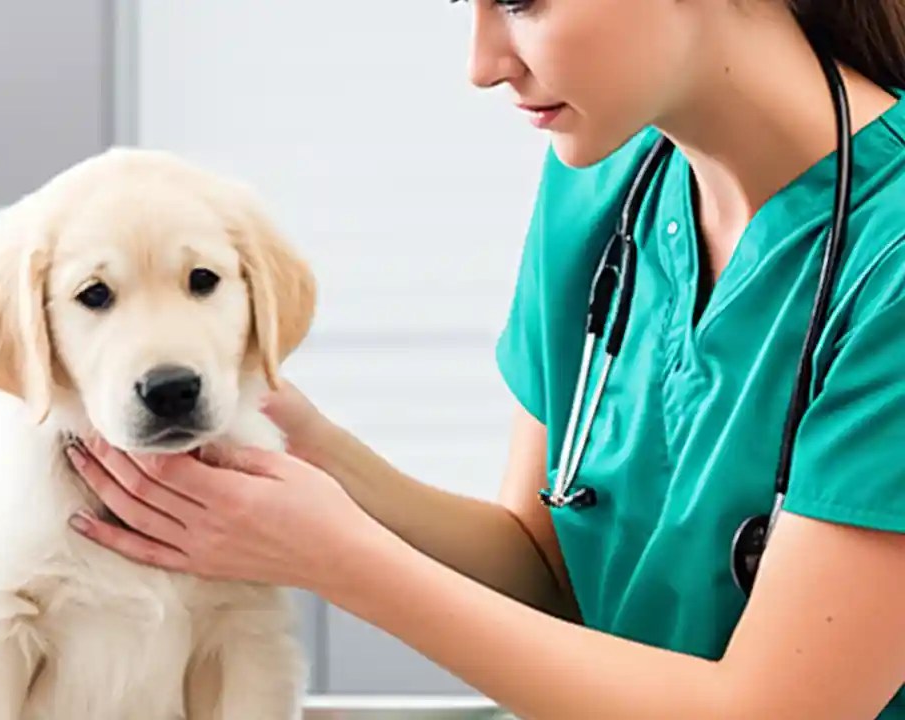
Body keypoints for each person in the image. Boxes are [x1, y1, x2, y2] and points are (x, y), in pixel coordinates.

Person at [61, 0, 905, 716]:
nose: (482, 63)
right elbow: (544, 572)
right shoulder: (603, 184)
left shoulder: (891, 259)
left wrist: (338, 560)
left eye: (520, 0)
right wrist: (314, 451)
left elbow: (778, 708)